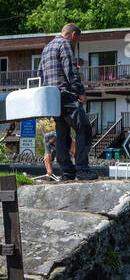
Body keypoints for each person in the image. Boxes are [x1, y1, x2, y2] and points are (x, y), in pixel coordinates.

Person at [37, 23, 96, 182]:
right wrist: (80, 92)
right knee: (84, 128)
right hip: (65, 95)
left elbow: (40, 74)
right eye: (77, 40)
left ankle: (67, 172)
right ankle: (82, 169)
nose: (76, 43)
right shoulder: (65, 44)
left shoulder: (47, 48)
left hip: (52, 98)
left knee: (62, 133)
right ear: (74, 34)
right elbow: (71, 70)